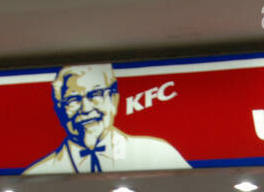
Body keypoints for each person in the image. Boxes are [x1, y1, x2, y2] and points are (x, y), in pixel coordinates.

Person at [23, 64, 190, 175]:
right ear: (59, 110)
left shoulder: (161, 155)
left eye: (95, 94)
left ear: (114, 99)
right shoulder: (36, 173)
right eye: (73, 100)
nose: (86, 109)